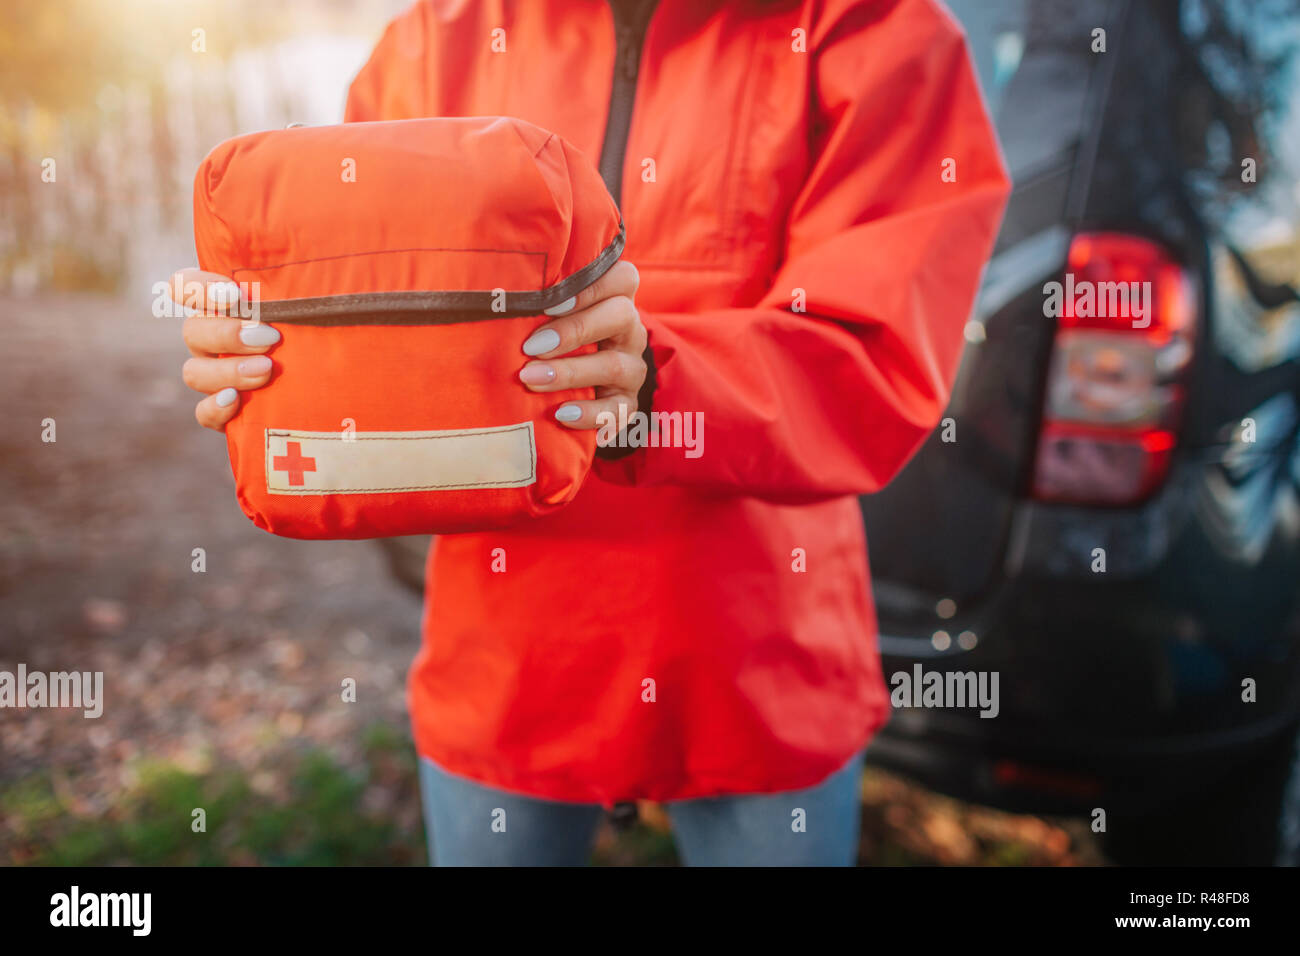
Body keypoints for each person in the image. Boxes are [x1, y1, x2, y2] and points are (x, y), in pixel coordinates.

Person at [170, 0, 1009, 865]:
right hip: (504, 659)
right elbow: (366, 303)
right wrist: (273, 358)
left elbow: (872, 360)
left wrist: (656, 386)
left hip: (754, 663)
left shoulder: (873, 28)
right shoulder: (436, 36)